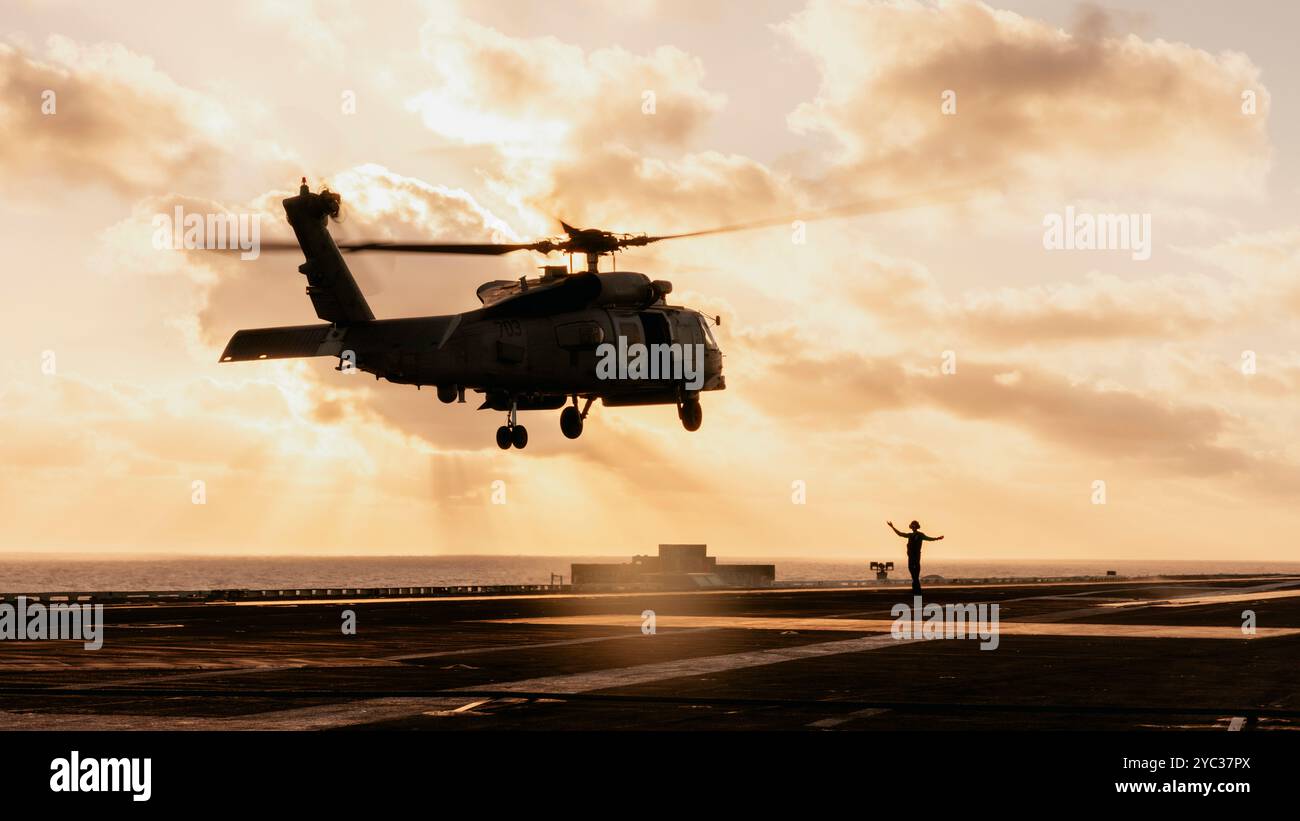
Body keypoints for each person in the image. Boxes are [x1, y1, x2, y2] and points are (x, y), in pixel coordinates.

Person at [887, 520, 944, 596]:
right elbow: (900, 534)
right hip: (910, 556)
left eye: (914, 526)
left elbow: (929, 538)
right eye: (912, 526)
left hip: (916, 556)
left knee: (916, 573)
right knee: (913, 573)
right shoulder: (910, 535)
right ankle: (916, 589)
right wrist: (892, 527)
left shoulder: (920, 535)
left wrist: (937, 538)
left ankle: (916, 590)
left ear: (916, 527)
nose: (913, 527)